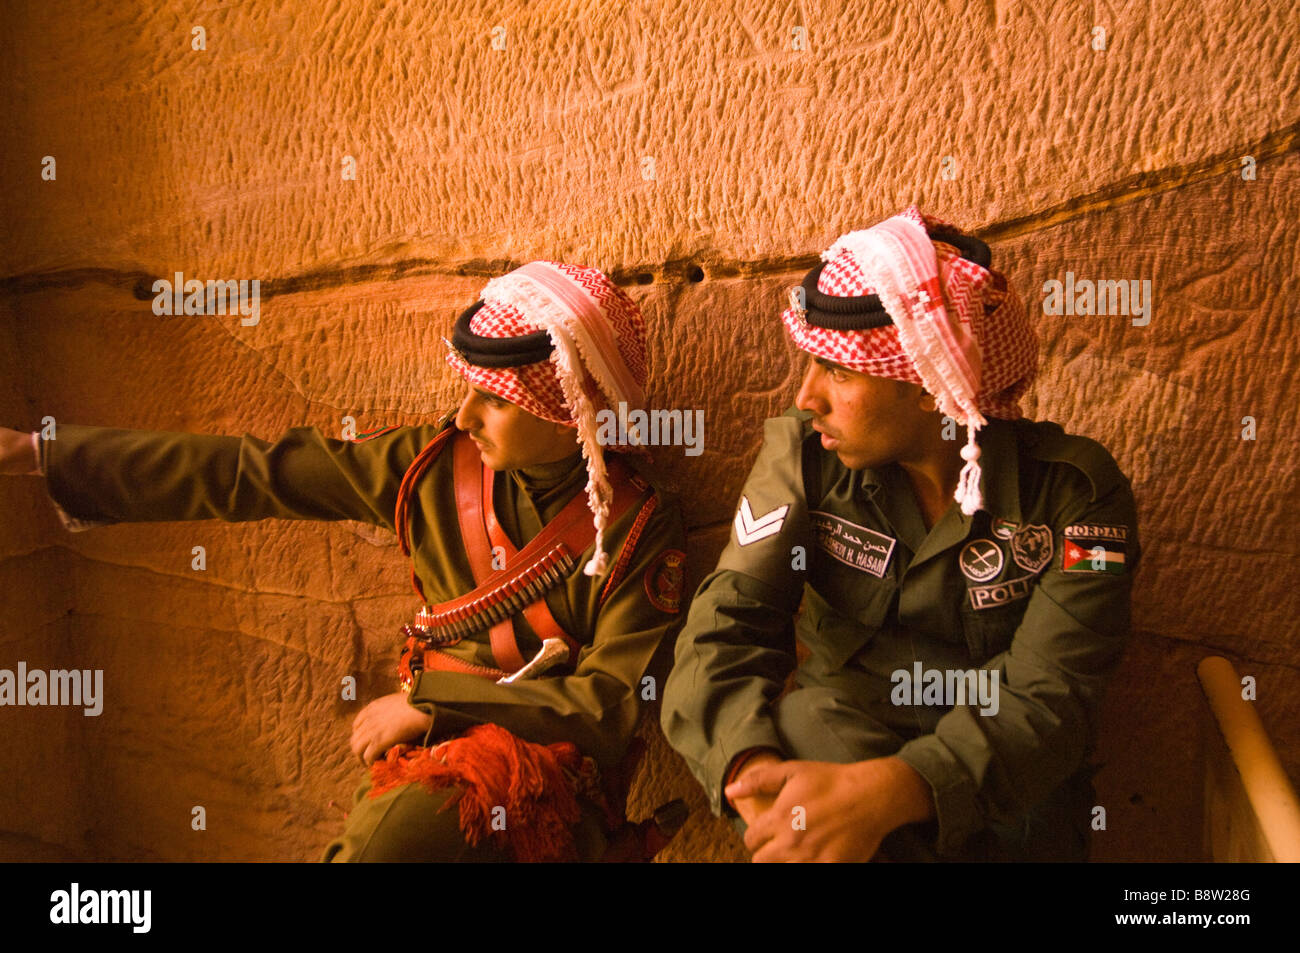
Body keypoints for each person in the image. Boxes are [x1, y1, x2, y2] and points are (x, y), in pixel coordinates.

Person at [2, 260, 686, 862]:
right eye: (469, 387)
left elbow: (606, 708)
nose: (466, 415)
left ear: (569, 410)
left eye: (496, 398)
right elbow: (257, 473)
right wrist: (45, 454)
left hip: (549, 780)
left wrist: (431, 704)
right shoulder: (433, 468)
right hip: (429, 754)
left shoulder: (637, 528)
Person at [660, 206, 1139, 862]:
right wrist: (751, 771)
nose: (806, 397)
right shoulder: (805, 460)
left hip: (1008, 804)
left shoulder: (1077, 495)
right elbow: (721, 633)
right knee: (798, 723)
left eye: (840, 371)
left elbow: (1055, 697)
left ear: (927, 385)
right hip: (831, 764)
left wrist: (900, 787)